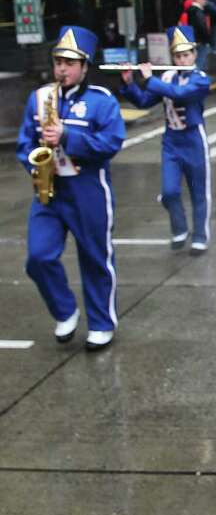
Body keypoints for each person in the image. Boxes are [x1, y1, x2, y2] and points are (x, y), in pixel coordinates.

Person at [18, 26, 125, 351]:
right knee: (38, 257)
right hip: (49, 190)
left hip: (88, 189)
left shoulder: (101, 101)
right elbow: (25, 142)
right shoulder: (39, 98)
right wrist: (34, 164)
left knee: (95, 258)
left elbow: (111, 142)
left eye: (69, 61)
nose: (61, 68)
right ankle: (65, 310)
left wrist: (67, 137)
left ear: (84, 65)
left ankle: (102, 323)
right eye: (58, 61)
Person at [119, 25, 212, 254]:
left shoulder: (201, 79)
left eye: (186, 55)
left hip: (193, 140)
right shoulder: (168, 76)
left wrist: (150, 79)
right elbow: (144, 102)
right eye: (178, 56)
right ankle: (179, 227)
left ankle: (200, 235)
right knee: (169, 192)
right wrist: (130, 83)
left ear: (194, 55)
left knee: (198, 191)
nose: (182, 60)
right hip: (171, 141)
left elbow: (180, 95)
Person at [186, 0, 213, 71]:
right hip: (201, 40)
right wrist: (208, 39)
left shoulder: (191, 10)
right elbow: (202, 26)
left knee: (199, 59)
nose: (205, 1)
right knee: (201, 60)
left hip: (195, 39)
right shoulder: (198, 11)